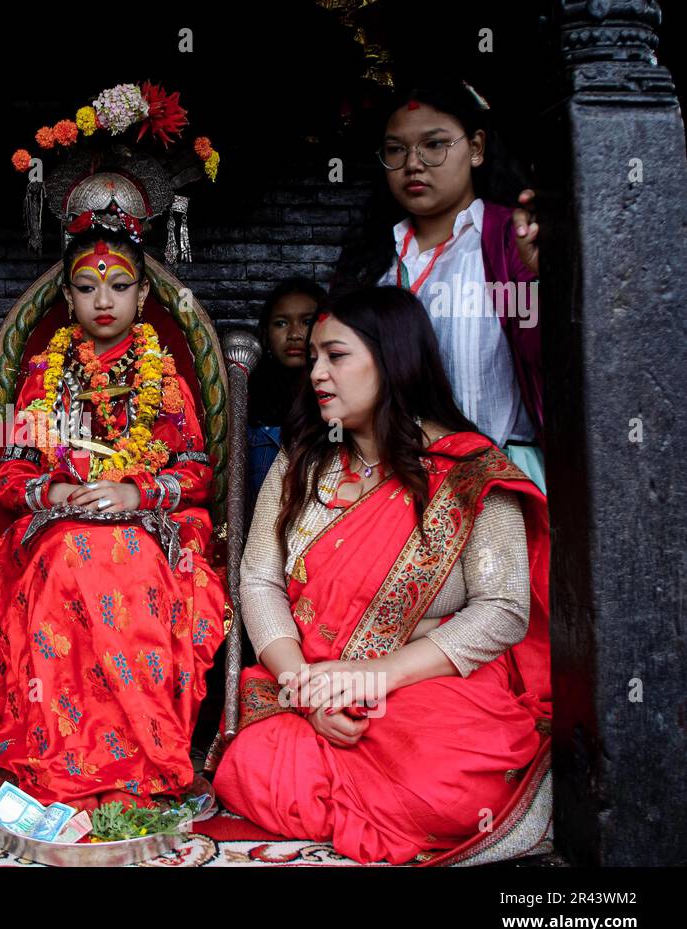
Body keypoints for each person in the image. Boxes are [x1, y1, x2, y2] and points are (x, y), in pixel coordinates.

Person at [212, 286, 551, 865]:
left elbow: (503, 608)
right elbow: (259, 580)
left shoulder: (468, 470)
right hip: (311, 686)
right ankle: (357, 790)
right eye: (314, 355)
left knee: (450, 777)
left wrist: (374, 674)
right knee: (249, 761)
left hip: (423, 689)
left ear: (391, 359)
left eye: (335, 355)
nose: (316, 370)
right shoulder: (302, 463)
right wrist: (305, 687)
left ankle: (355, 795)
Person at [0, 213, 227, 812]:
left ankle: (142, 751)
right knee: (69, 554)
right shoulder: (41, 379)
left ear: (143, 295)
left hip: (147, 529)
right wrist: (57, 496)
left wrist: (135, 495)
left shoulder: (167, 379)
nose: (102, 300)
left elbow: (197, 471)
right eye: (87, 287)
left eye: (119, 286)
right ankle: (62, 751)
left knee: (129, 556)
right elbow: (9, 474)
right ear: (66, 297)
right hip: (59, 529)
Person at [332, 81, 546, 492]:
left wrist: (536, 279)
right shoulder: (370, 260)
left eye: (434, 145)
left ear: (477, 147)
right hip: (390, 483)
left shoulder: (509, 240)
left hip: (501, 478)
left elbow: (548, 356)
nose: (414, 163)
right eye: (396, 150)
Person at [246, 278, 327, 503]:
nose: (294, 334)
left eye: (307, 321)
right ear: (265, 332)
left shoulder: (340, 398)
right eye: (281, 323)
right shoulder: (247, 395)